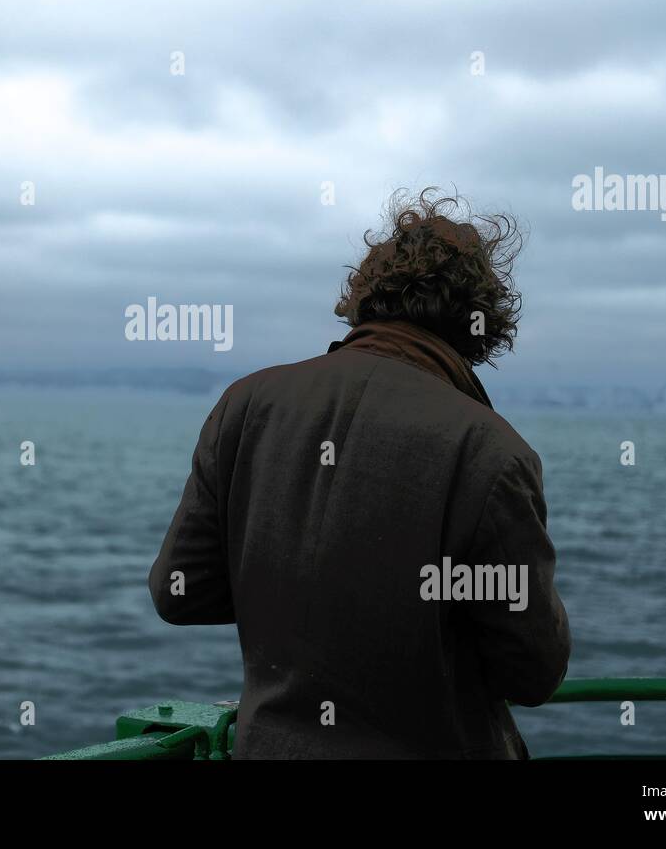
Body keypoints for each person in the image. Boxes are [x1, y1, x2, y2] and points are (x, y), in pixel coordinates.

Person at [148, 187, 571, 759]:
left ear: (364, 301)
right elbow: (534, 671)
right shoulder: (491, 451)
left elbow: (181, 592)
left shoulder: (246, 404)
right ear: (480, 326)